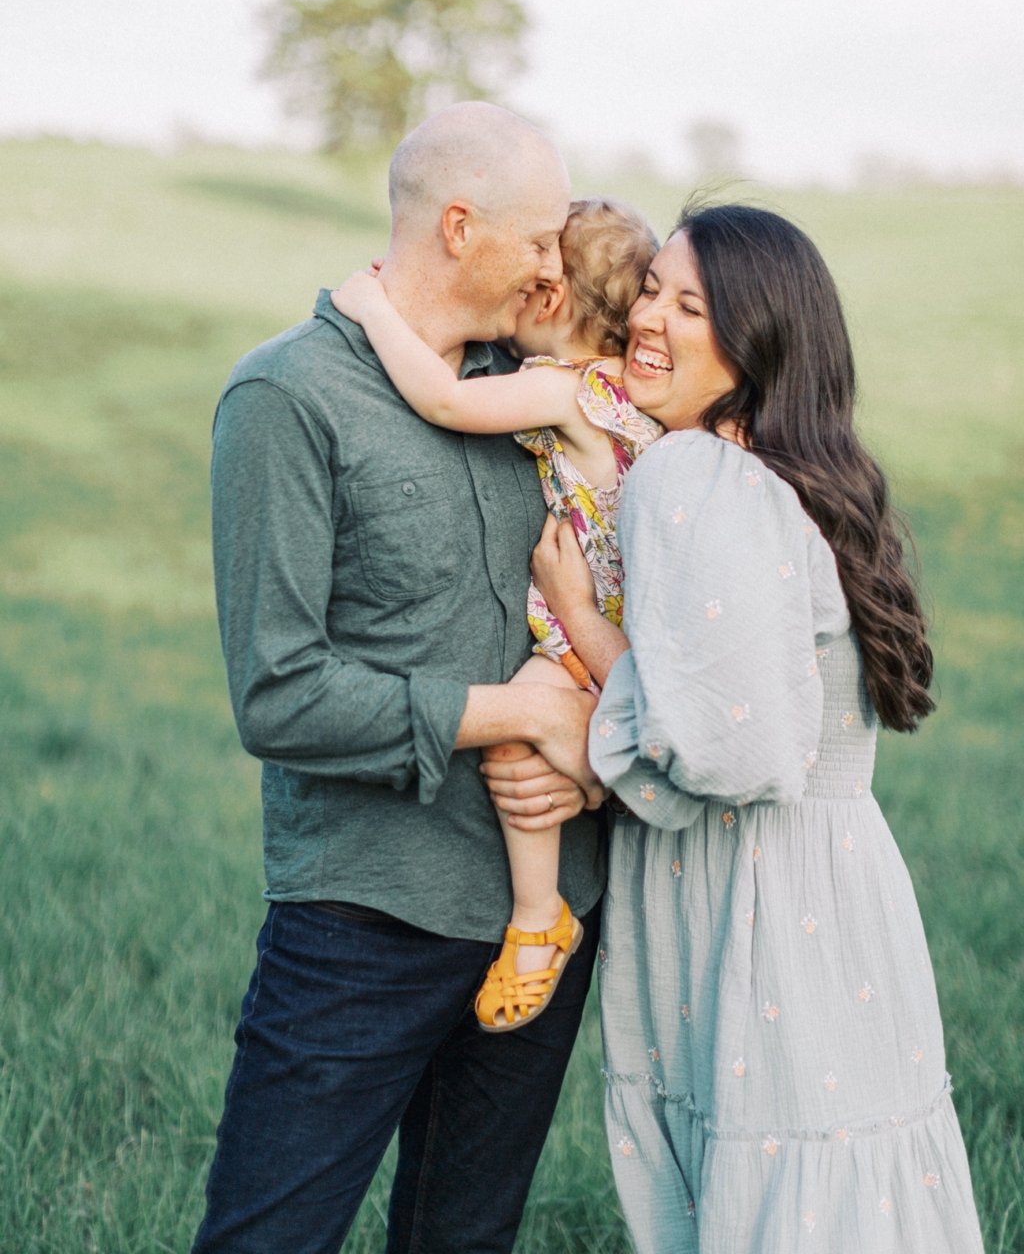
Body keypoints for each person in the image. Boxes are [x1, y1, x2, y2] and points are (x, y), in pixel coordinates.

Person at [491, 205, 984, 1252]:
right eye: (648, 292)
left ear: (760, 335)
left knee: (776, 1198)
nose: (646, 321)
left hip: (750, 902)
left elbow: (730, 742)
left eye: (690, 304)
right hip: (838, 893)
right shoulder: (798, 478)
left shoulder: (693, 473)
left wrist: (580, 663)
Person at [192, 102, 606, 1254]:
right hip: (364, 917)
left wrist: (590, 763)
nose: (552, 268)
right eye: (538, 241)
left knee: (462, 1241)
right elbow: (277, 693)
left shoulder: (539, 395)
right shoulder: (285, 398)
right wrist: (516, 713)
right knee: (268, 1239)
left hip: (544, 921)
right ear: (461, 227)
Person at [331, 199, 662, 1033]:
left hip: (589, 623)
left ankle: (535, 916)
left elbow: (444, 401)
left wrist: (372, 306)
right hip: (643, 629)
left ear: (550, 300)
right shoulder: (636, 394)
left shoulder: (561, 391)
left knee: (516, 726)